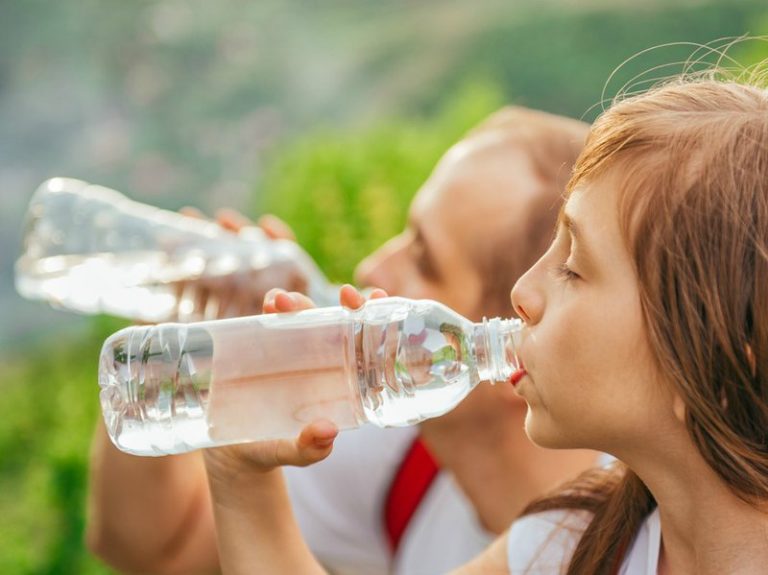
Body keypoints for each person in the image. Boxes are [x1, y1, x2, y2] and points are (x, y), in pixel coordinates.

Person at [202, 73, 768, 574]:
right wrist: (241, 473)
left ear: (713, 361)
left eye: (573, 267)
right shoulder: (568, 541)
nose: (522, 291)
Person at [86, 106, 599, 574]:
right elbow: (154, 552)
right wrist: (191, 336)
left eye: (423, 259)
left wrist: (244, 470)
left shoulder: (604, 542)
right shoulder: (403, 454)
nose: (372, 267)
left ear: (519, 344)